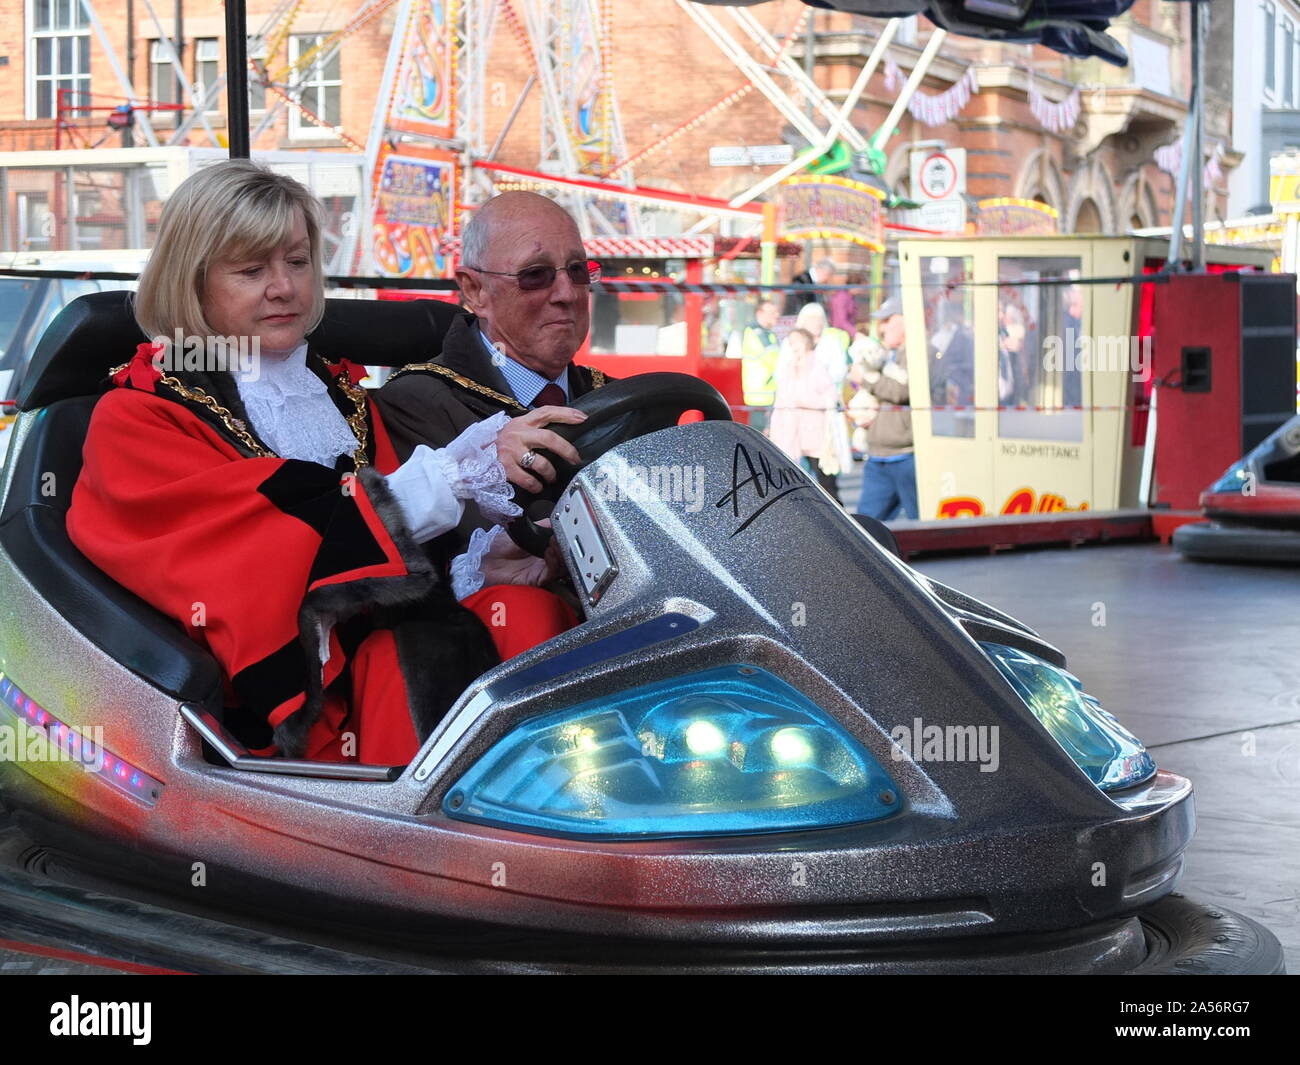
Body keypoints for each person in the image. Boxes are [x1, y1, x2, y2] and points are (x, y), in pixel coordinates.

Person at [67, 161, 577, 766]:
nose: (284, 287)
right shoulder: (141, 415)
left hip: (381, 642)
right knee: (399, 656)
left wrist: (480, 567)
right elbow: (280, 542)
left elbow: (389, 551)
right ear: (193, 281)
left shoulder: (339, 396)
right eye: (252, 270)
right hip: (265, 691)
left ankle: (566, 822)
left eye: (298, 262)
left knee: (527, 609)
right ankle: (411, 845)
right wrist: (452, 474)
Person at [375, 191, 608, 551]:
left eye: (577, 270)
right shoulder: (416, 403)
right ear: (475, 290)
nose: (567, 293)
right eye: (535, 274)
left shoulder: (617, 395)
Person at [855, 295, 918, 521]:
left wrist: (867, 380)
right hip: (879, 455)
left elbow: (903, 392)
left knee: (922, 525)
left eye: (887, 320)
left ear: (904, 321)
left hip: (906, 456)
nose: (881, 328)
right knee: (867, 528)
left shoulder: (917, 352)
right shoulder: (886, 352)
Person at [794, 301, 853, 501]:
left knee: (826, 472)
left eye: (819, 320)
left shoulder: (831, 343)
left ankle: (836, 516)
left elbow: (838, 373)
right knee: (797, 475)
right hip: (798, 417)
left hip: (824, 417)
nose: (816, 324)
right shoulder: (792, 343)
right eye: (811, 320)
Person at [767, 328, 839, 479]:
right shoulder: (788, 368)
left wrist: (805, 402)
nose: (793, 345)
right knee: (792, 479)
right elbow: (780, 401)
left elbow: (830, 398)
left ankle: (832, 503)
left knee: (824, 479)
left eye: (797, 341)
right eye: (791, 341)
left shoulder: (817, 367)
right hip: (790, 432)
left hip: (815, 431)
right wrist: (773, 426)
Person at [740, 299, 780, 433]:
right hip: (760, 396)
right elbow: (775, 360)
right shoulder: (756, 333)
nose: (777, 315)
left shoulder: (767, 333)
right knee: (761, 437)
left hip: (766, 395)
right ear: (759, 313)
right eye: (772, 312)